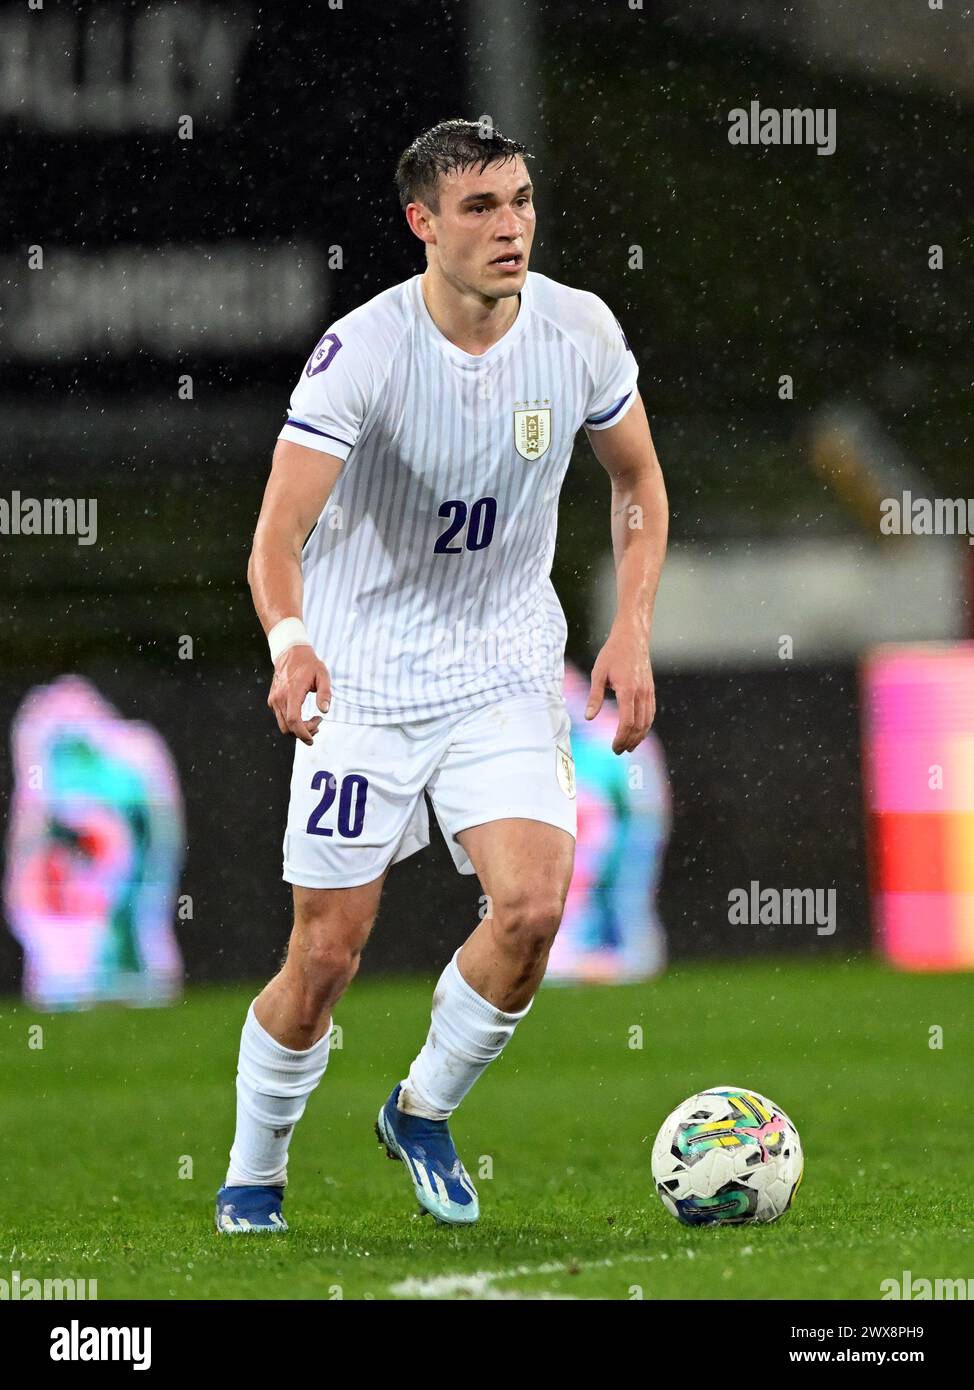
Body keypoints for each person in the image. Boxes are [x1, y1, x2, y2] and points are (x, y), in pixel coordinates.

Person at [215, 119, 668, 1233]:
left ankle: (421, 1109)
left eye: (518, 201)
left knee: (533, 906)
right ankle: (253, 1169)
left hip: (504, 663)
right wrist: (291, 642)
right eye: (478, 208)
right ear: (422, 223)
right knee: (324, 956)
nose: (509, 225)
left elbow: (637, 484)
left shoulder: (578, 331)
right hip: (362, 677)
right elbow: (275, 537)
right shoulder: (362, 352)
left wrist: (629, 629)